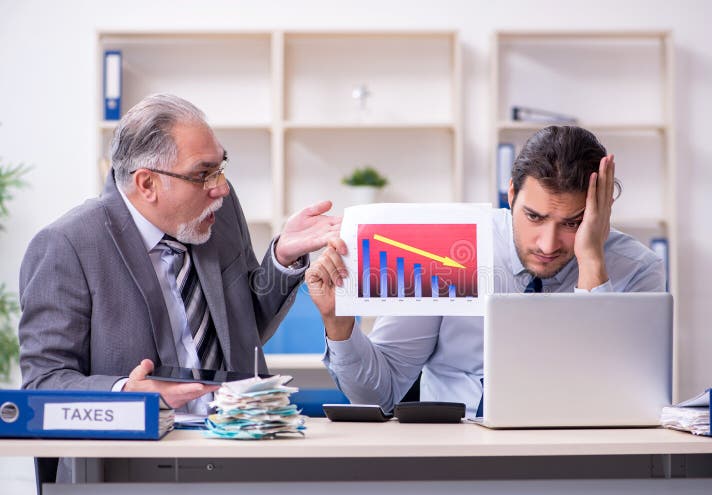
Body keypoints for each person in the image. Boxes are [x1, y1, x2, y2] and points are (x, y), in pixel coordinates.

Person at [305, 125, 666, 417]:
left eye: (572, 223)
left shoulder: (637, 271)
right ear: (511, 195)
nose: (547, 243)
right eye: (534, 217)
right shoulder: (450, 247)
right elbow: (378, 395)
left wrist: (591, 261)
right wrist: (339, 325)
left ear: (600, 212)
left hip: (576, 462)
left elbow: (611, 402)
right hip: (454, 460)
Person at [19, 93, 341, 416]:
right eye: (203, 174)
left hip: (238, 443)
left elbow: (246, 327)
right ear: (147, 183)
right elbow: (44, 381)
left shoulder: (219, 211)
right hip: (133, 457)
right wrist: (125, 393)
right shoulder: (67, 246)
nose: (222, 188)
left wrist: (282, 259)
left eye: (221, 167)